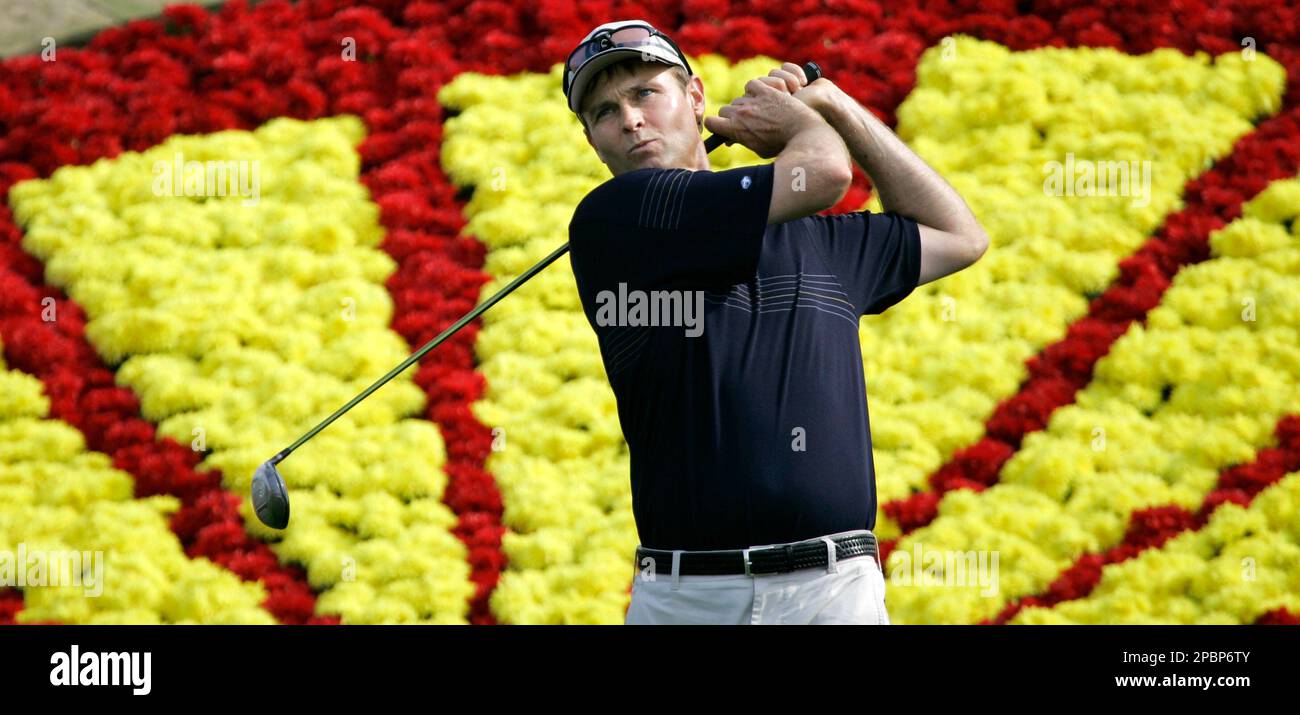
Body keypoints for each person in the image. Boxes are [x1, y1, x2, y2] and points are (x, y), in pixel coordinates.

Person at [562, 20, 990, 624]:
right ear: (593, 141)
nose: (630, 119)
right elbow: (823, 175)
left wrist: (835, 104)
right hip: (688, 599)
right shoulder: (615, 220)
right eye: (605, 111)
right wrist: (801, 123)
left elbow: (961, 235)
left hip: (834, 592)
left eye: (645, 93)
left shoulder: (825, 243)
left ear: (695, 98)